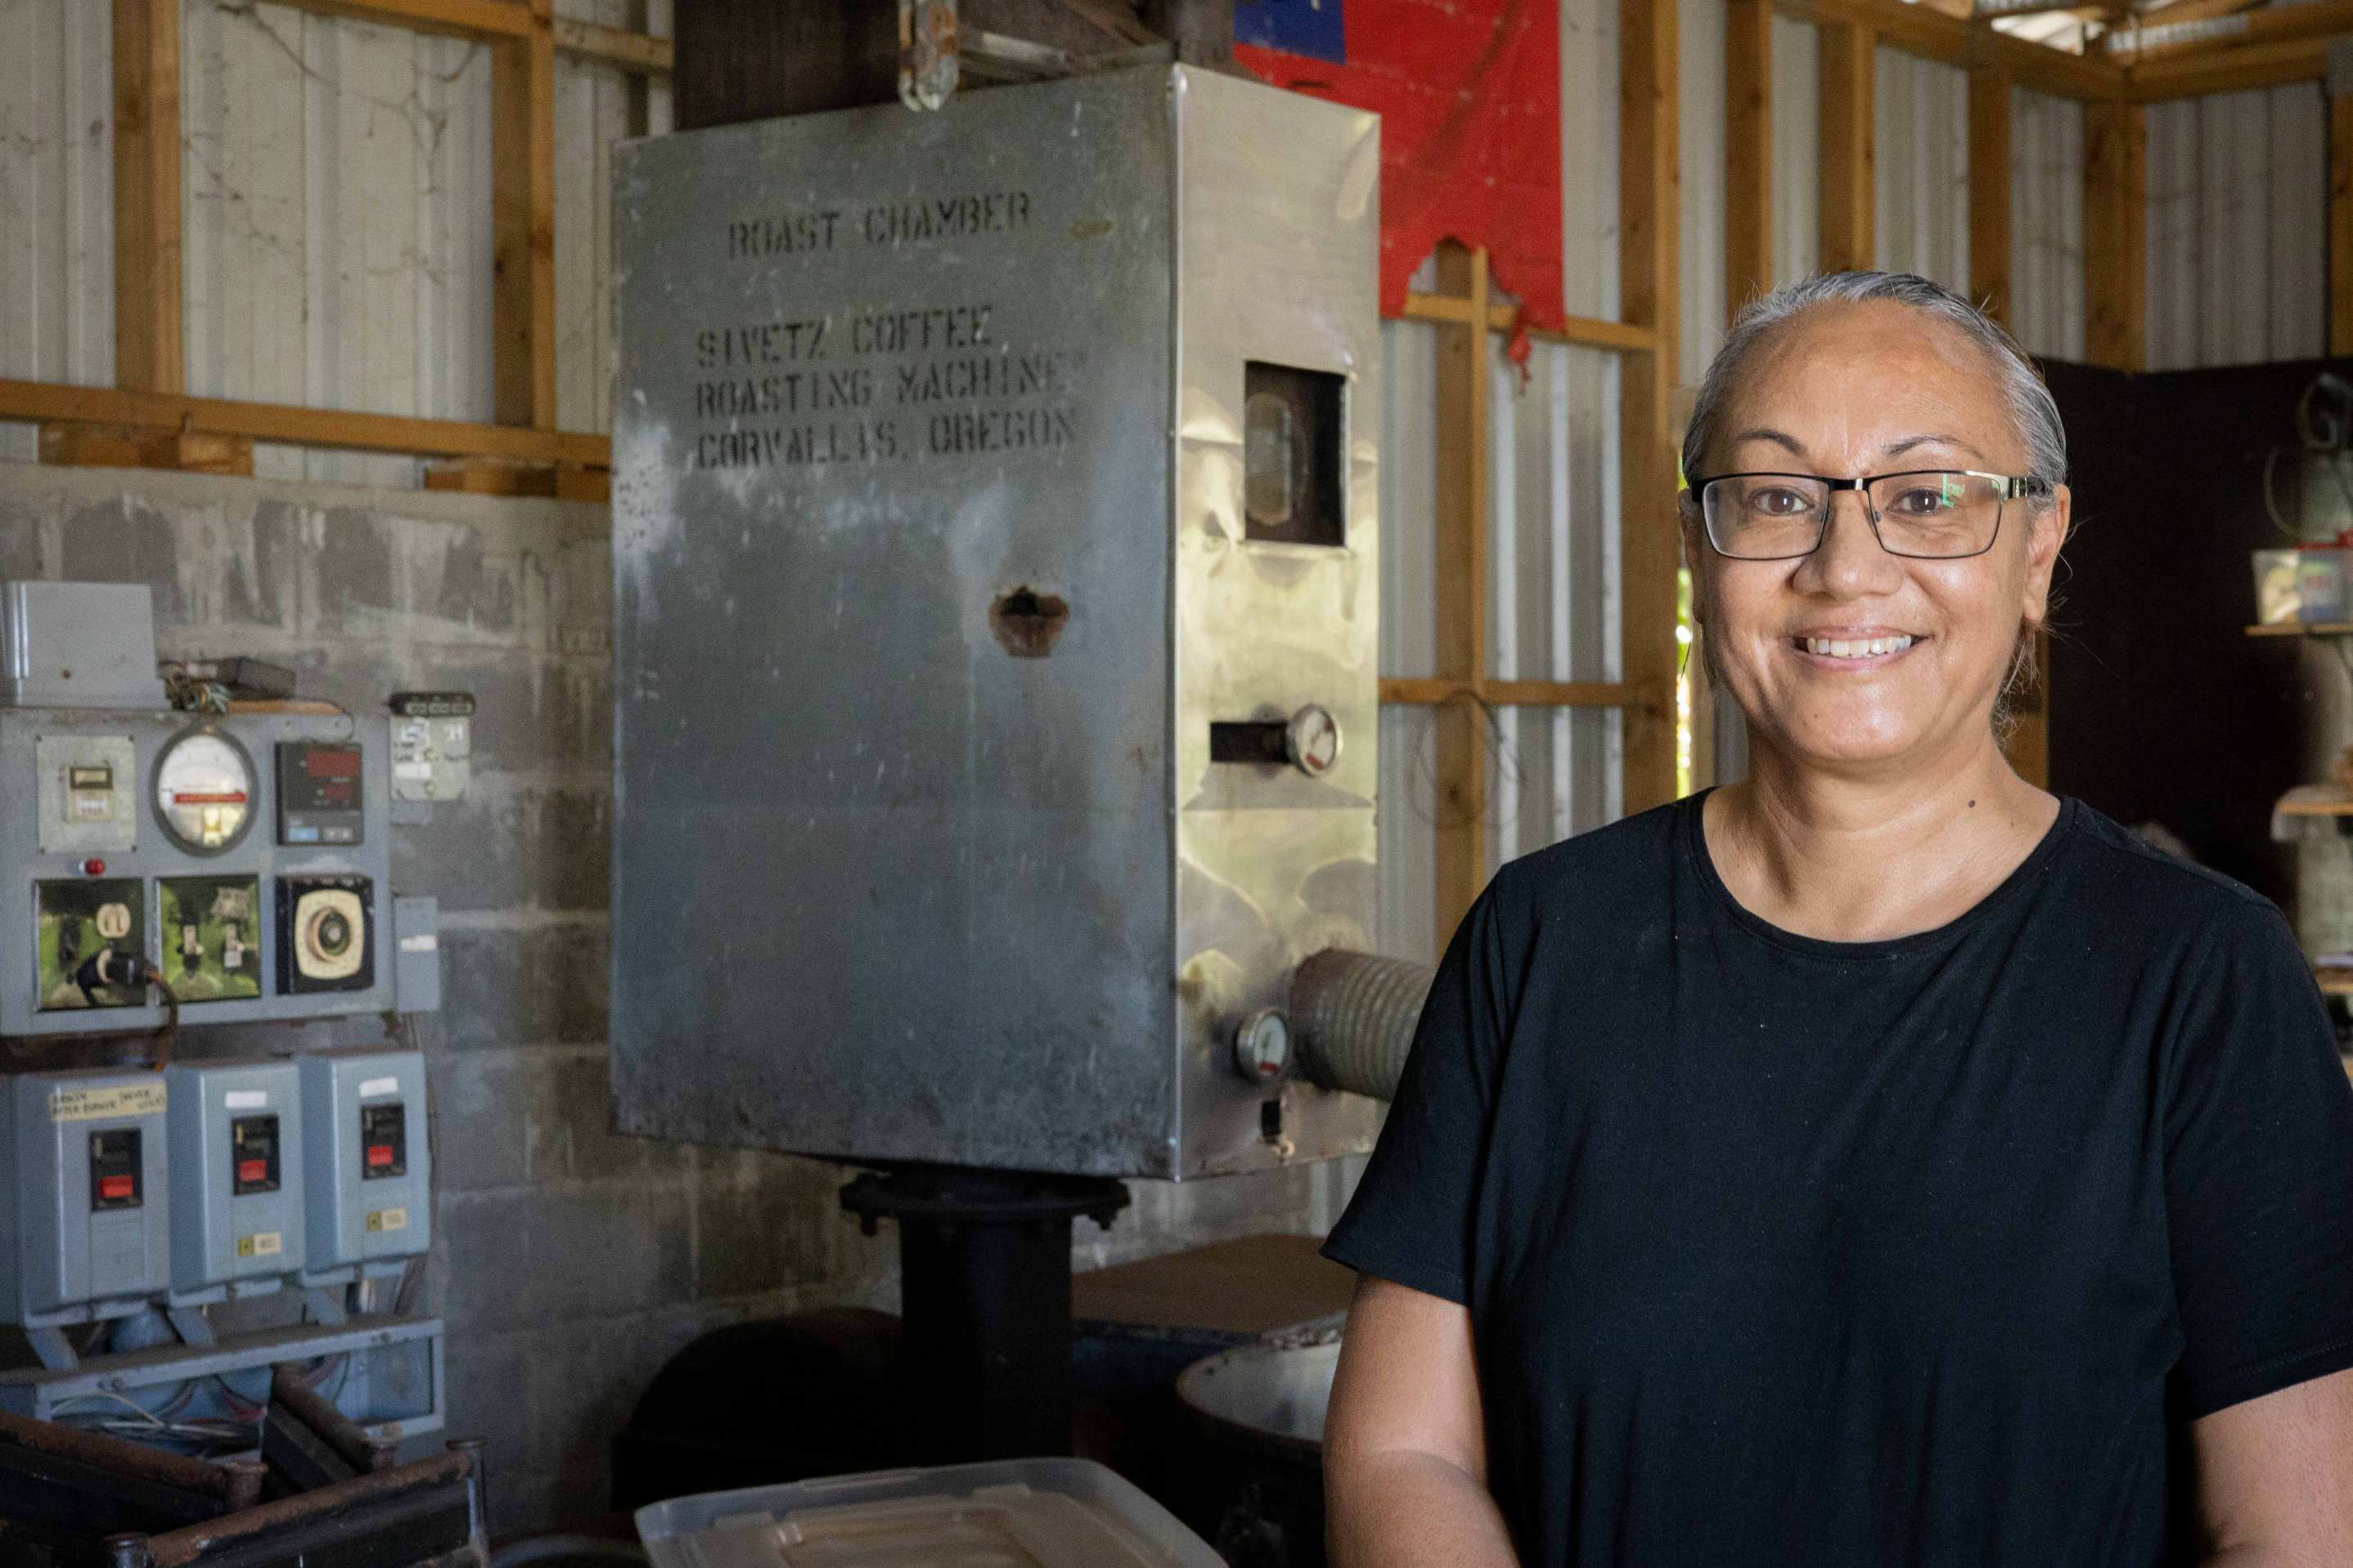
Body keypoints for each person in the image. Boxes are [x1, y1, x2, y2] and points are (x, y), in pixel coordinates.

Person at [1320, 271, 2353, 1566]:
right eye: (1775, 498)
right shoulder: (1543, 943)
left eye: (1924, 498)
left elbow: (2297, 1537)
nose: (1845, 566)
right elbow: (1403, 1454)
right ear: (1702, 554)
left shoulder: (2202, 981)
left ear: (2038, 552)